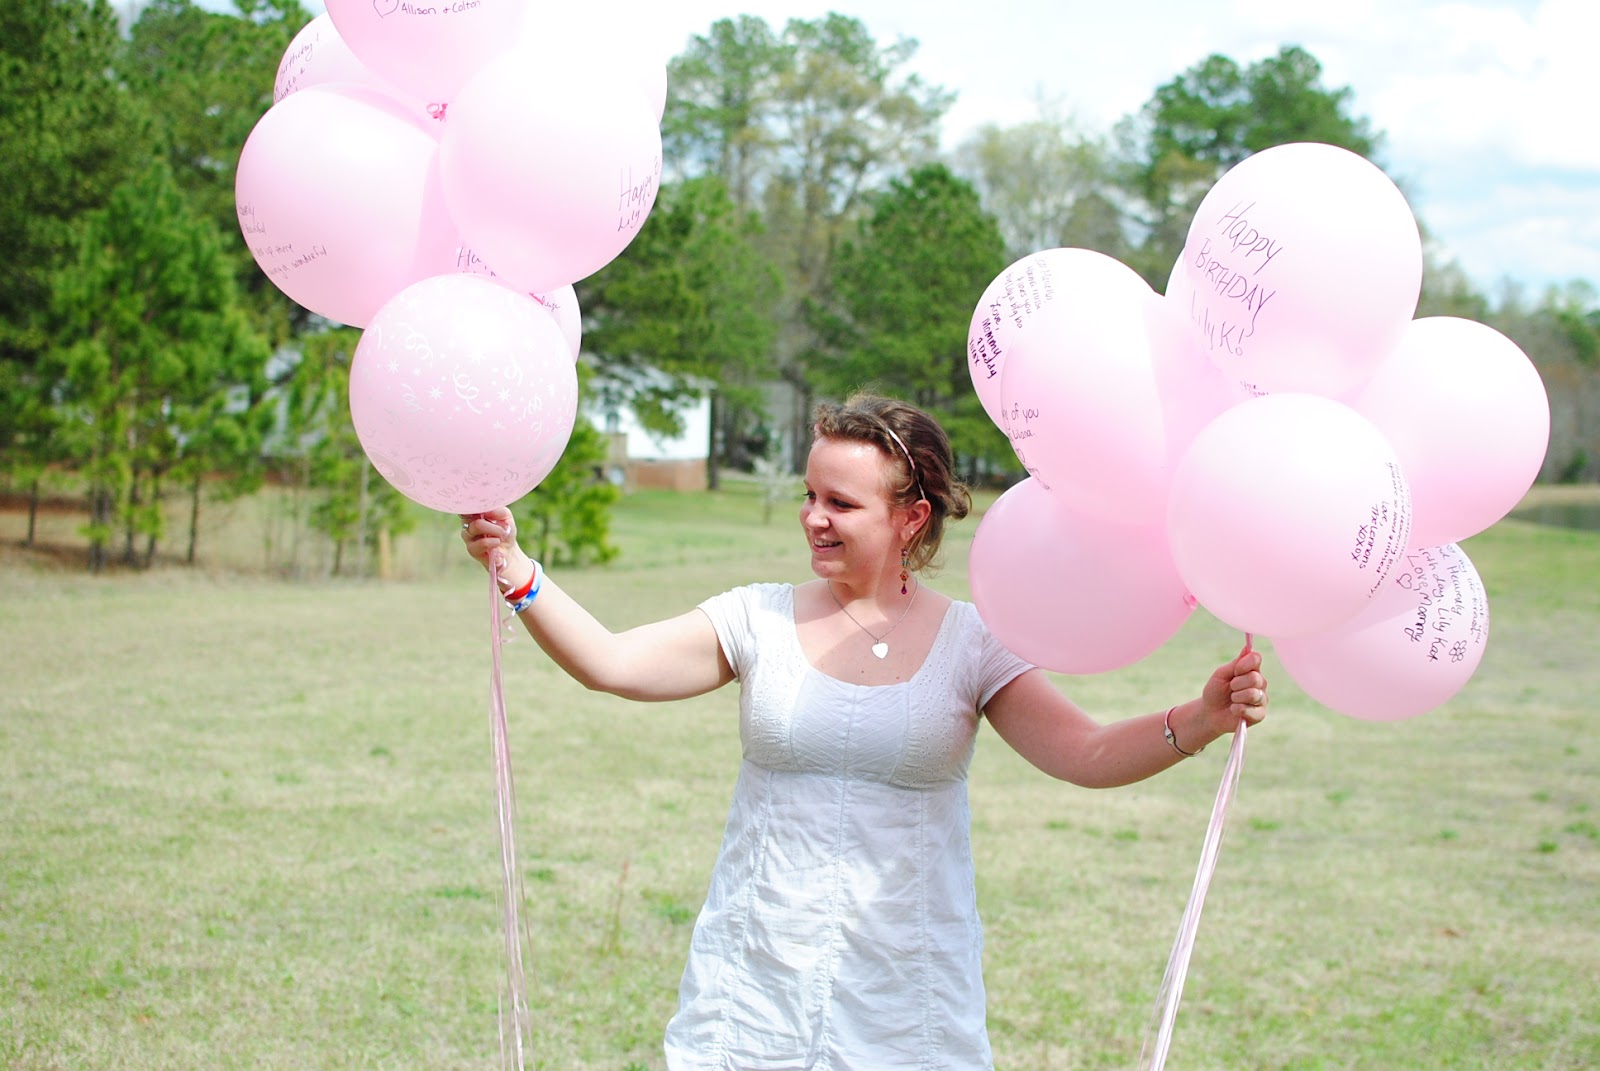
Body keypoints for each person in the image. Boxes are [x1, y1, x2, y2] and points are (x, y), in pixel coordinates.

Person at [462, 392, 1269, 1071]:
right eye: (810, 495)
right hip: (757, 973)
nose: (814, 517)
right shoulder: (757, 616)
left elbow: (1083, 754)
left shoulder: (972, 640)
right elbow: (610, 661)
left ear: (912, 516)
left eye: (841, 503)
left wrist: (1200, 717)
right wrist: (516, 569)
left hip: (906, 987)